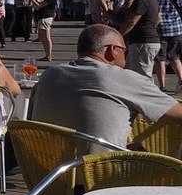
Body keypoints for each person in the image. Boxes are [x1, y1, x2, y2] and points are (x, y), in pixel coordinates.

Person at [28, 24, 182, 144]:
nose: (126, 57)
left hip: (46, 172)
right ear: (113, 50)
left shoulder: (49, 74)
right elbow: (178, 114)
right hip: (102, 174)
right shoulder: (120, 77)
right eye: (124, 51)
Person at [152, 0, 182, 91]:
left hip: (161, 30)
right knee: (175, 57)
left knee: (160, 59)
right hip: (177, 29)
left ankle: (162, 86)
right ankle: (181, 80)